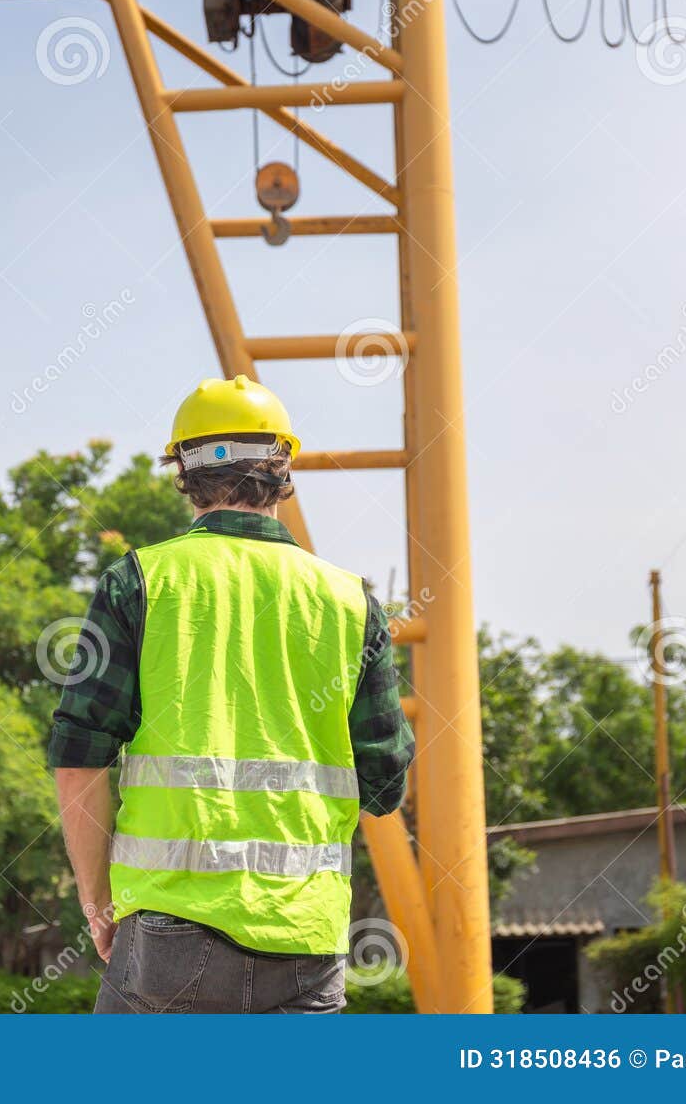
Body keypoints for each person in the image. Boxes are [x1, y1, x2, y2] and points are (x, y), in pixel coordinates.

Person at [48, 375, 415, 1013]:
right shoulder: (350, 602)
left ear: (182, 474)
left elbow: (80, 755)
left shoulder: (138, 582)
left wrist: (96, 901)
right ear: (283, 469)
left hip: (165, 930)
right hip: (304, 939)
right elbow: (385, 784)